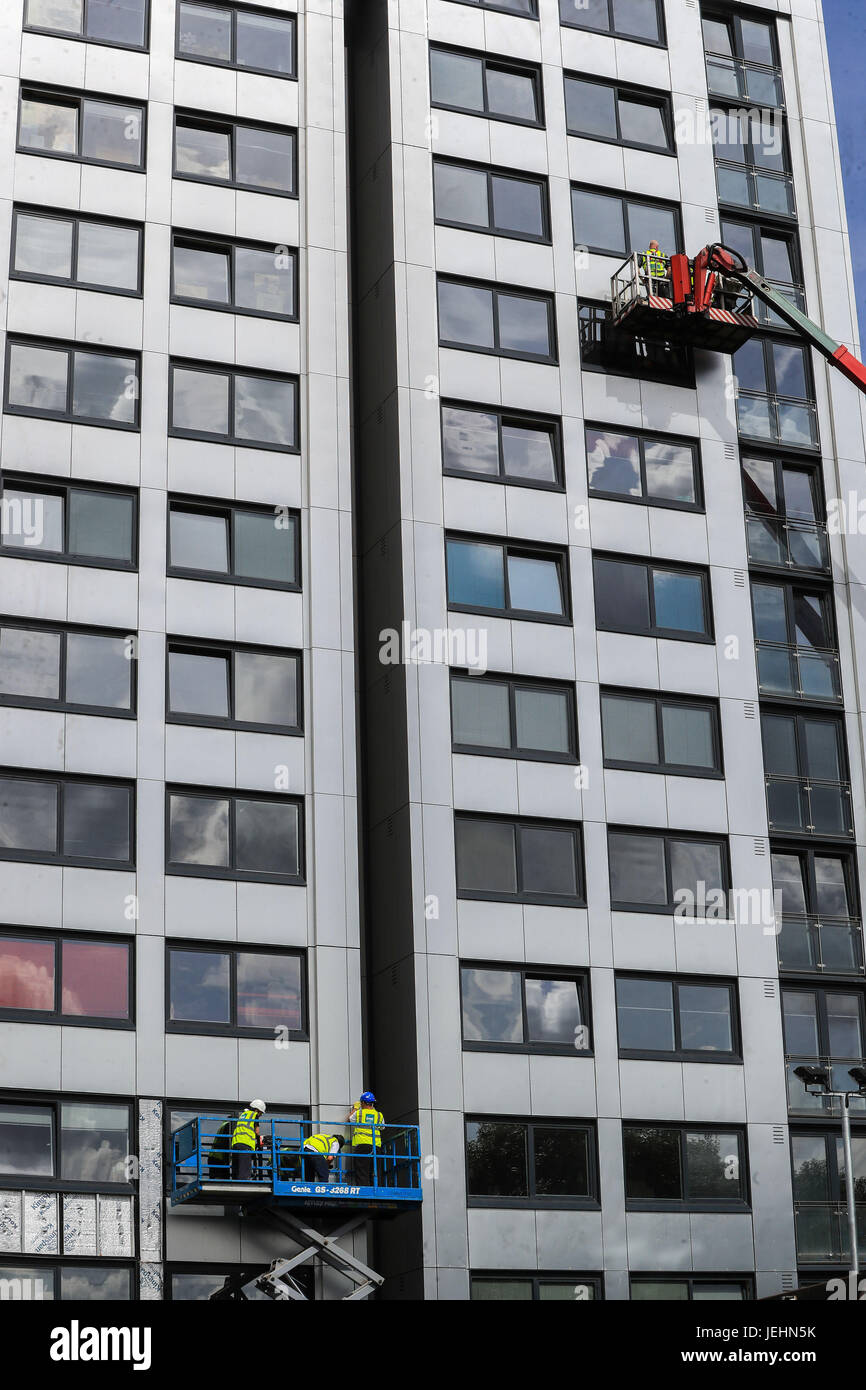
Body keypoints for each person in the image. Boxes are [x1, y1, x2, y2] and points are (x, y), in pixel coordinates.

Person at [346, 1092, 385, 1187]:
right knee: (375, 1171)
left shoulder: (358, 1113)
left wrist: (355, 1108)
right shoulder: (379, 1115)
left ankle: (363, 1192)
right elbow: (382, 1127)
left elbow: (349, 1120)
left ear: (362, 1102)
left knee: (362, 1171)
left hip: (362, 1146)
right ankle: (376, 1192)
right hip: (376, 1147)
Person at [231, 1098, 265, 1181]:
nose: (260, 1115)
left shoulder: (243, 1115)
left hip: (236, 1143)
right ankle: (243, 1184)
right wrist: (260, 1139)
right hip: (245, 1144)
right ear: (257, 1110)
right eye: (261, 1113)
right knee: (244, 1169)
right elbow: (257, 1132)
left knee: (237, 1167)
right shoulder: (254, 1115)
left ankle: (235, 1183)